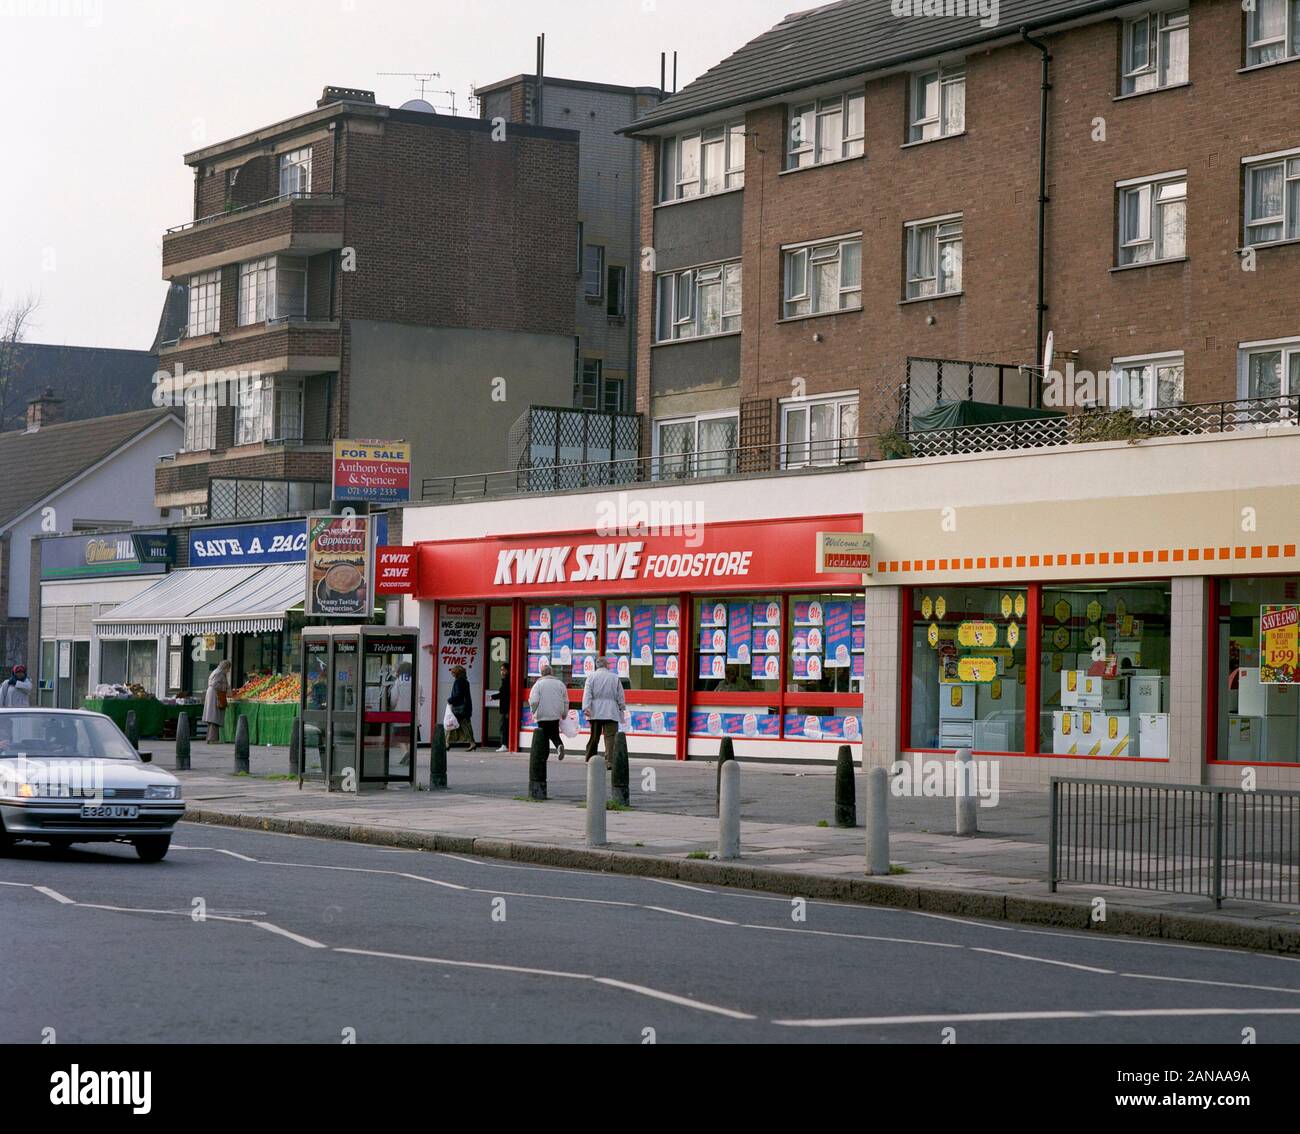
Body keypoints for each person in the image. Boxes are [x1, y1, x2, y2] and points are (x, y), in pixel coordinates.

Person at [581, 656, 625, 771]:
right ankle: (609, 761)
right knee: (610, 737)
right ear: (606, 665)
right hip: (611, 711)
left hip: (595, 711)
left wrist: (586, 707)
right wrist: (621, 707)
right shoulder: (614, 677)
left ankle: (589, 759)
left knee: (594, 736)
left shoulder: (591, 677)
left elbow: (587, 694)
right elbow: (620, 695)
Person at [528, 662, 569, 760]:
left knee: (544, 737)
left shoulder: (537, 685)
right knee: (554, 734)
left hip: (542, 715)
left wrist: (533, 711)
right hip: (555, 714)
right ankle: (559, 745)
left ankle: (544, 756)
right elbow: (566, 701)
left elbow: (534, 701)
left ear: (541, 673)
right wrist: (564, 713)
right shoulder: (560, 684)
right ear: (552, 672)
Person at [447, 663, 476, 751]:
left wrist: (450, 700)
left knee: (450, 724)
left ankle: (447, 743)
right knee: (465, 725)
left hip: (459, 708)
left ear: (456, 673)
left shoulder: (458, 681)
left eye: (453, 672)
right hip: (465, 707)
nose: (452, 673)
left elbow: (458, 695)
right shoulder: (465, 681)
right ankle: (471, 743)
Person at [202, 660, 232, 743]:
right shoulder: (219, 673)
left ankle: (210, 738)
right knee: (214, 717)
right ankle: (212, 739)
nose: (228, 671)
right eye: (228, 668)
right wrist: (226, 688)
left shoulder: (216, 671)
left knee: (212, 717)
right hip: (215, 695)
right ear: (225, 667)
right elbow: (215, 684)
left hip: (212, 694)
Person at [495, 663, 512, 753]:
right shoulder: (506, 680)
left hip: (506, 708)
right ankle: (505, 744)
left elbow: (504, 694)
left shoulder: (506, 681)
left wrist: (494, 697)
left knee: (504, 726)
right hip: (506, 707)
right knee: (504, 726)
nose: (502, 672)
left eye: (503, 670)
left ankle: (504, 744)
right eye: (501, 670)